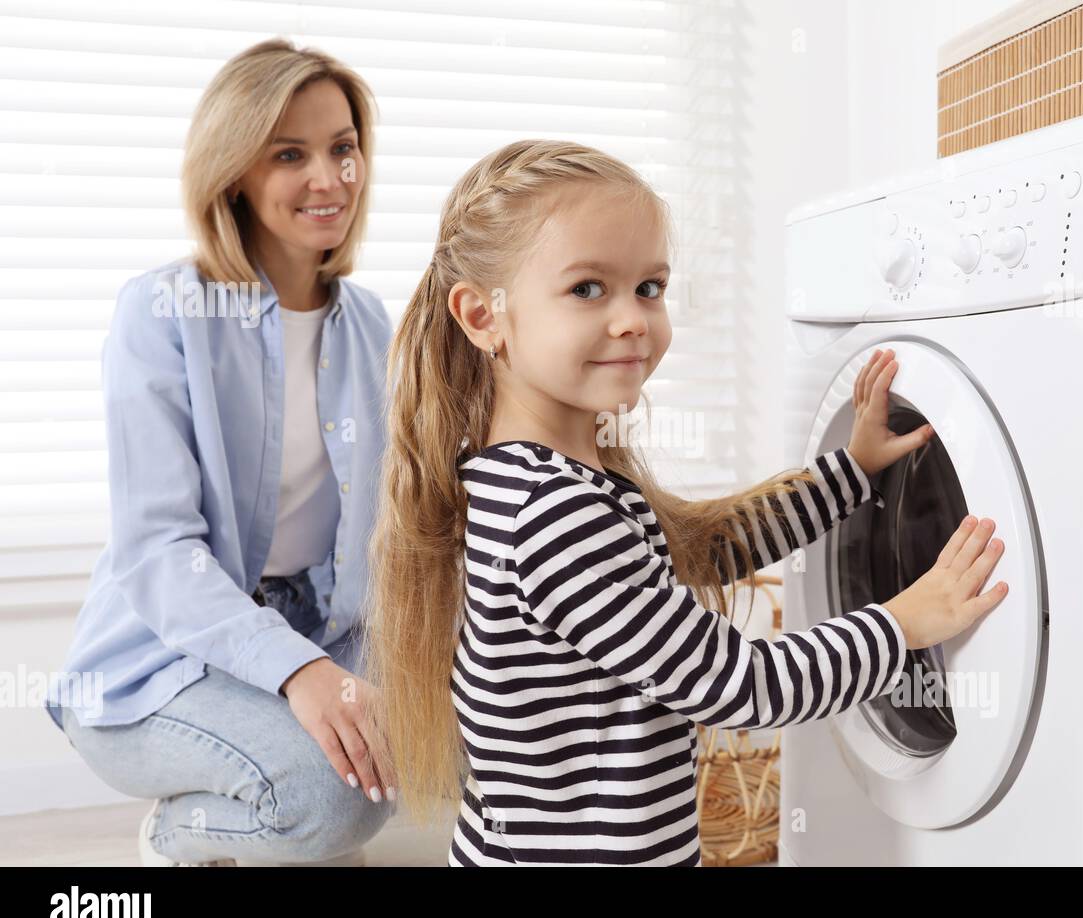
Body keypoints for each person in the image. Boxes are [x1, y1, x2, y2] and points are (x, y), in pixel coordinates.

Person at [361, 139, 1008, 866]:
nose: (635, 318)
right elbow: (742, 685)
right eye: (587, 289)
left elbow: (704, 548)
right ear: (484, 318)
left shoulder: (525, 477)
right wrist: (904, 623)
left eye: (650, 287)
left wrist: (848, 473)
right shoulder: (552, 514)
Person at [44, 38, 397, 866]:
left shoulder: (373, 324)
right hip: (161, 659)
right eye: (290, 154)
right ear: (234, 172)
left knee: (449, 733)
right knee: (330, 801)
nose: (330, 177)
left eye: (343, 149)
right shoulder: (162, 313)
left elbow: (406, 516)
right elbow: (159, 550)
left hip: (321, 629)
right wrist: (301, 676)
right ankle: (180, 835)